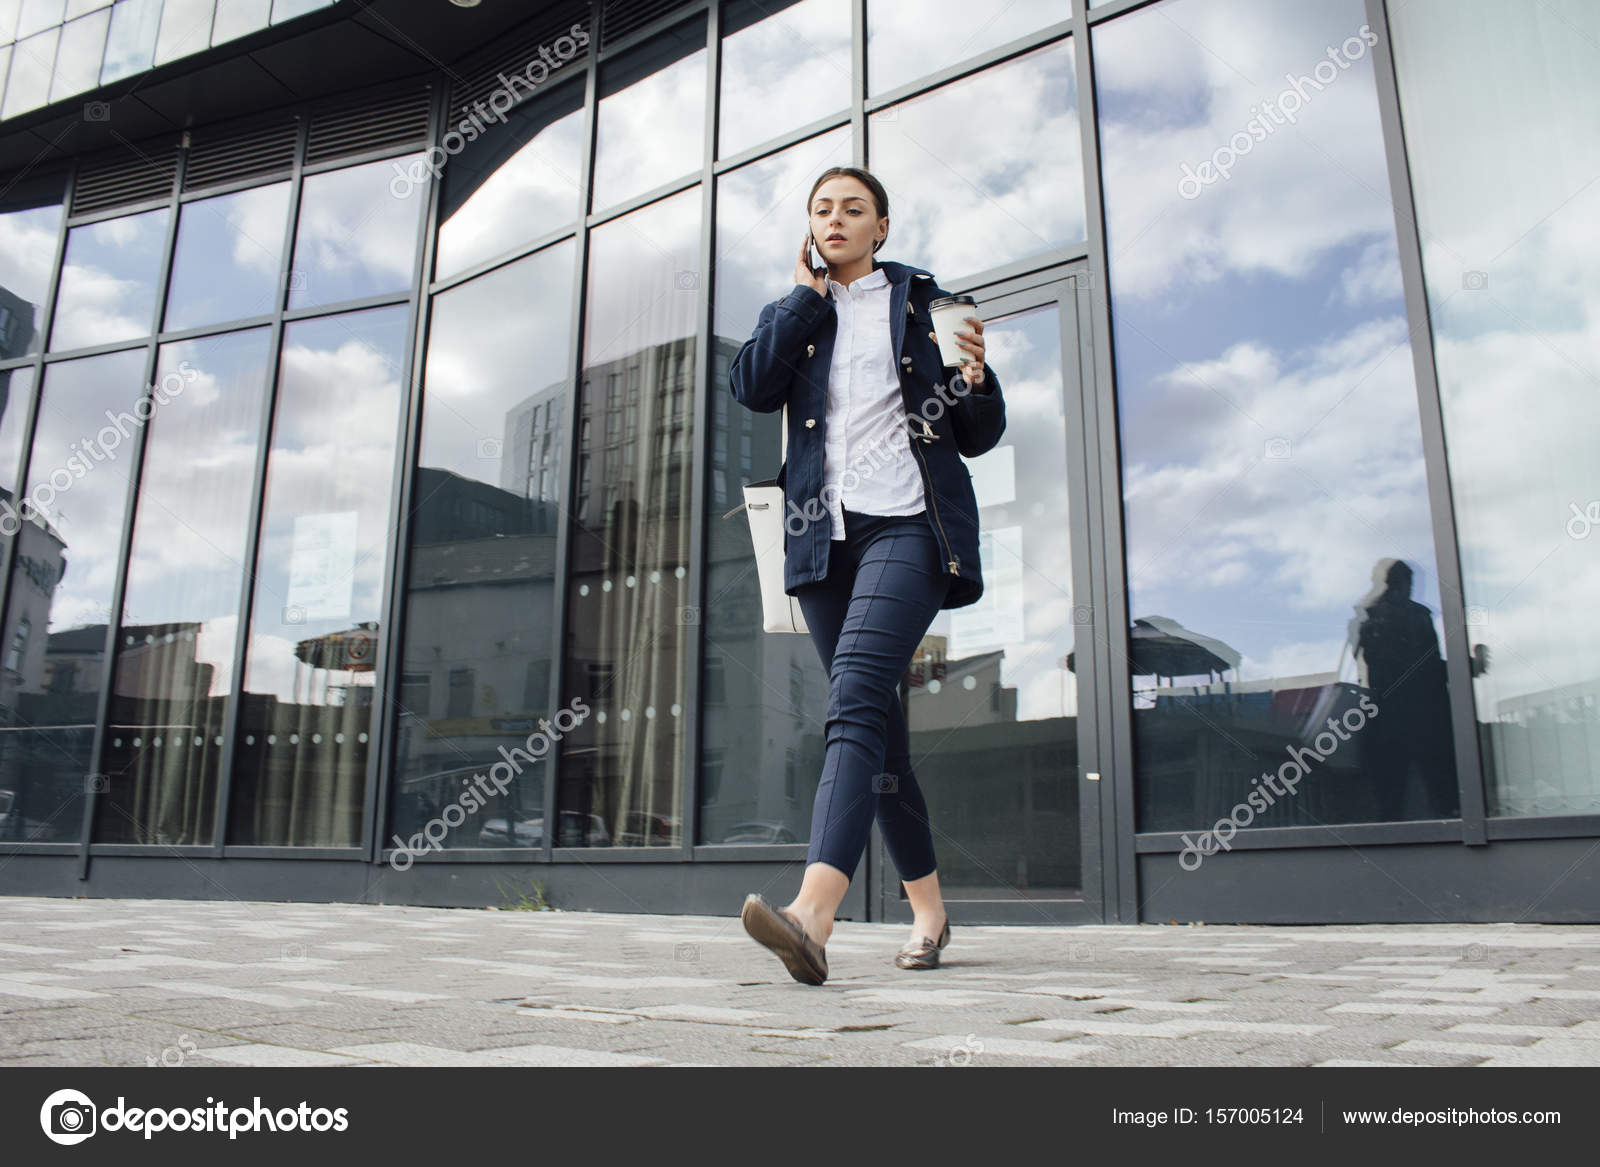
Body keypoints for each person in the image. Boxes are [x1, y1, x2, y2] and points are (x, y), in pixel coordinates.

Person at [729, 166, 1006, 985]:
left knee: (851, 695)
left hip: (910, 527)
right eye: (823, 209)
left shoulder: (930, 306)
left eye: (855, 208)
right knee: (879, 739)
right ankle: (930, 913)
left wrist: (977, 380)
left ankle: (813, 915)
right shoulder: (798, 313)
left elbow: (979, 432)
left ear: (881, 227)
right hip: (821, 543)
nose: (838, 219)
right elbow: (749, 387)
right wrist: (801, 300)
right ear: (809, 226)